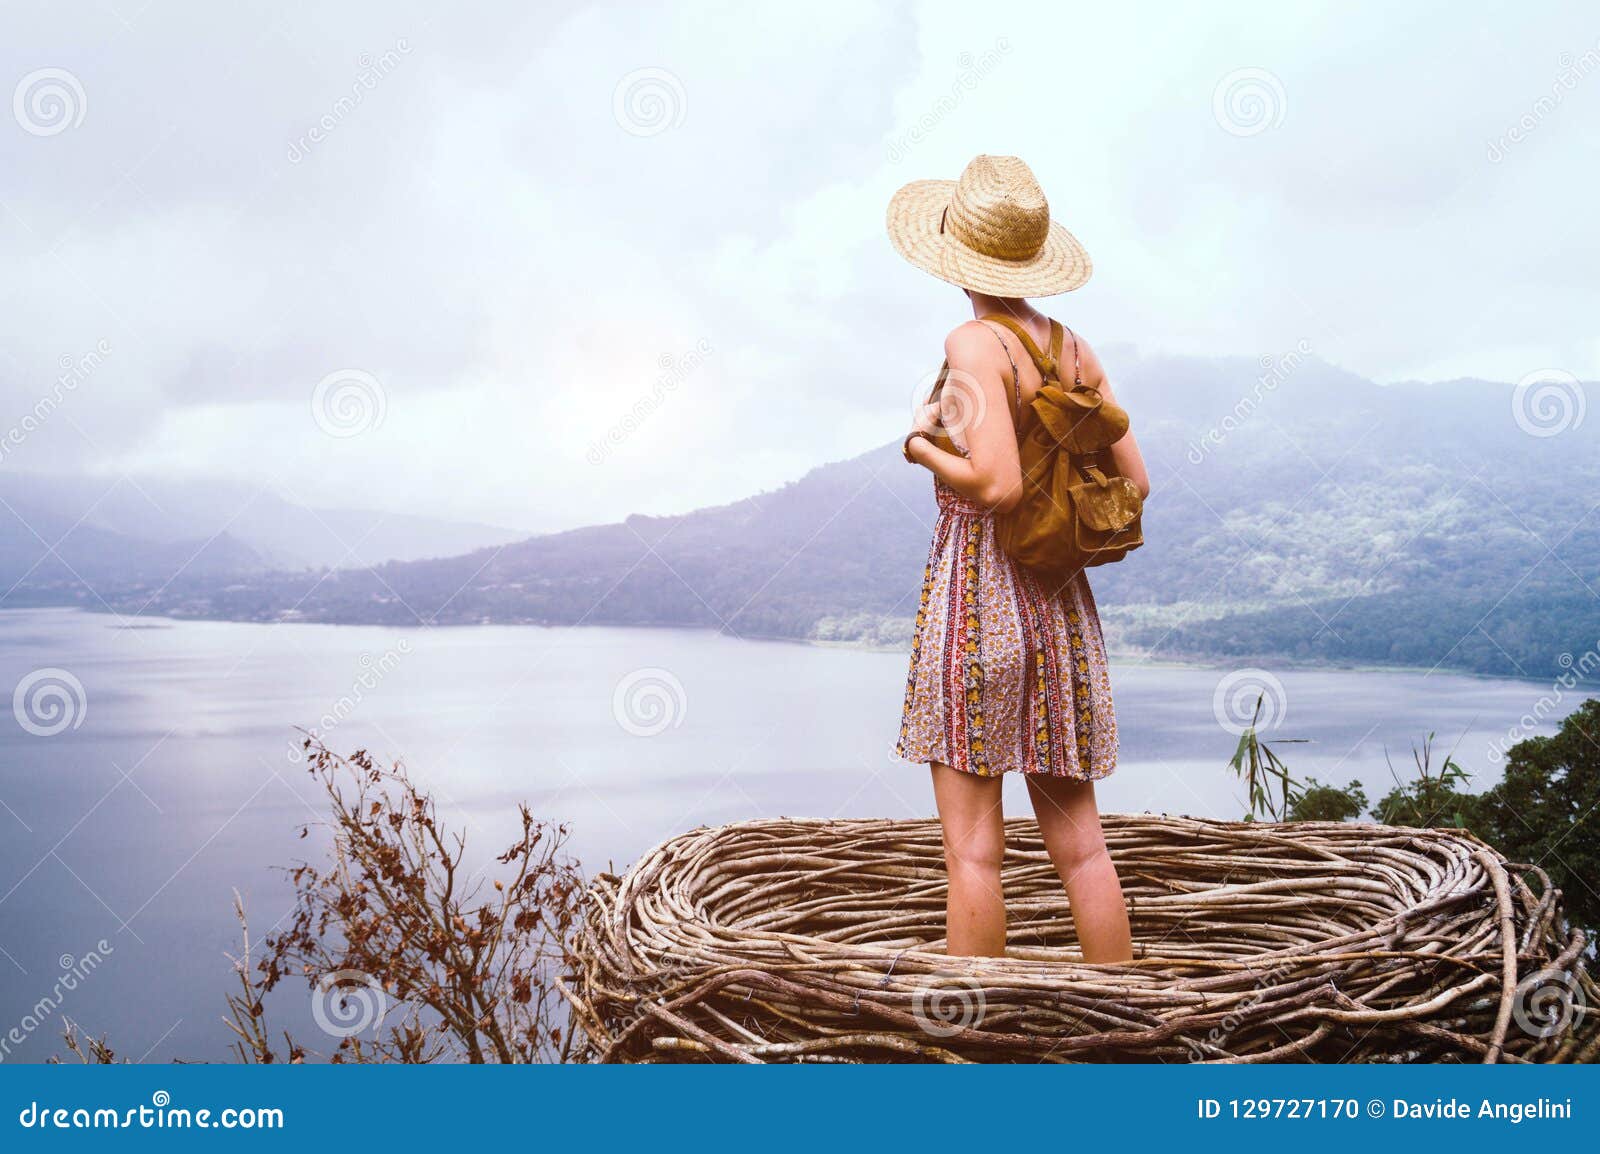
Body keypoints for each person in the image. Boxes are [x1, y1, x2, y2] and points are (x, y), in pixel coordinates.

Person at [887, 155, 1149, 962]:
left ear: (956, 256)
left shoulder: (973, 341)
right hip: (1060, 607)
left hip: (978, 605)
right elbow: (1136, 481)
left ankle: (976, 1056)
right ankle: (1126, 1021)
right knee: (1083, 850)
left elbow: (995, 486)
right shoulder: (1074, 350)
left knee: (971, 854)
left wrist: (918, 446)